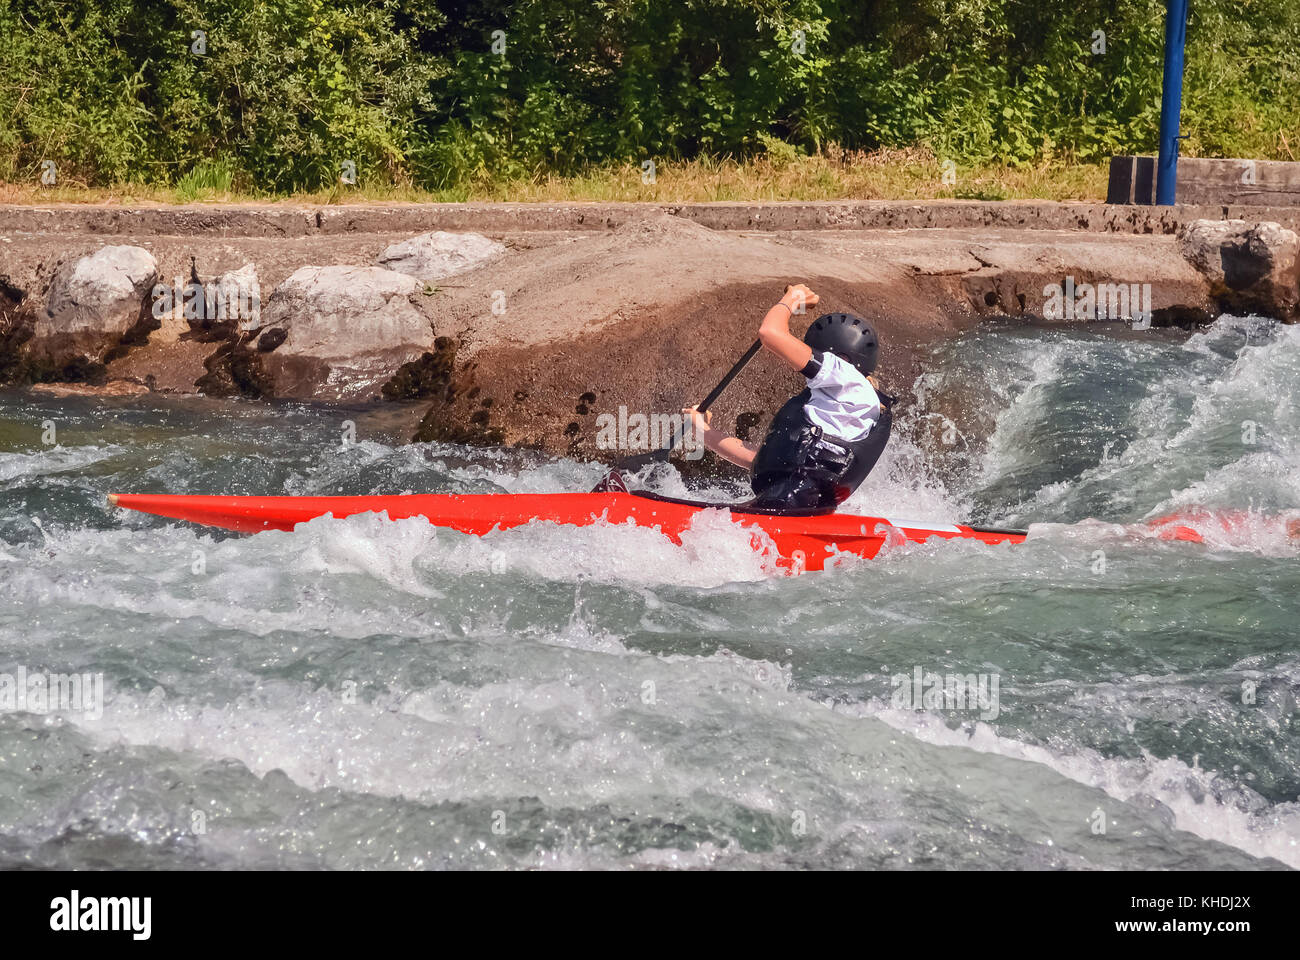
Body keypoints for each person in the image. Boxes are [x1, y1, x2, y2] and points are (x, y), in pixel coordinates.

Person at [684, 284, 893, 511]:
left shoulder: (843, 374)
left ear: (838, 356)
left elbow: (770, 334)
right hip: (801, 507)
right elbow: (758, 458)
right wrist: (703, 431)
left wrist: (793, 298)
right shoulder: (845, 409)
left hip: (786, 503)